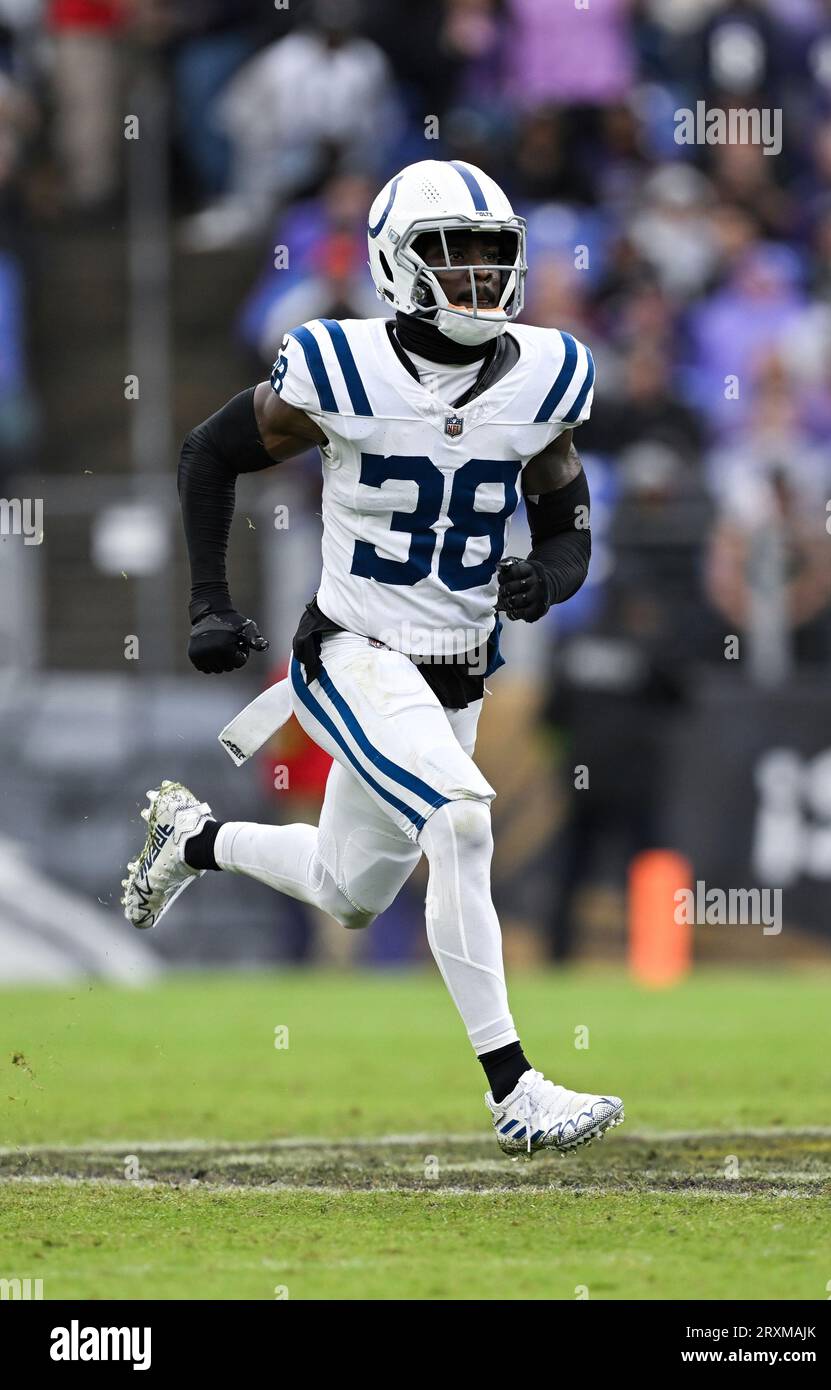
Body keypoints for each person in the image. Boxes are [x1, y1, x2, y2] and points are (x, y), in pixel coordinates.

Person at [121, 159, 624, 1158]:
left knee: (349, 891)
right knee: (461, 823)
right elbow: (206, 453)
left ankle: (194, 839)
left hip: (457, 670)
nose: (479, 277)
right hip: (355, 649)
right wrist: (210, 601)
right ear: (397, 266)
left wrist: (550, 576)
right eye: (453, 255)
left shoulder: (544, 373)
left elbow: (565, 514)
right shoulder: (337, 367)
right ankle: (513, 1086)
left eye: (492, 256)